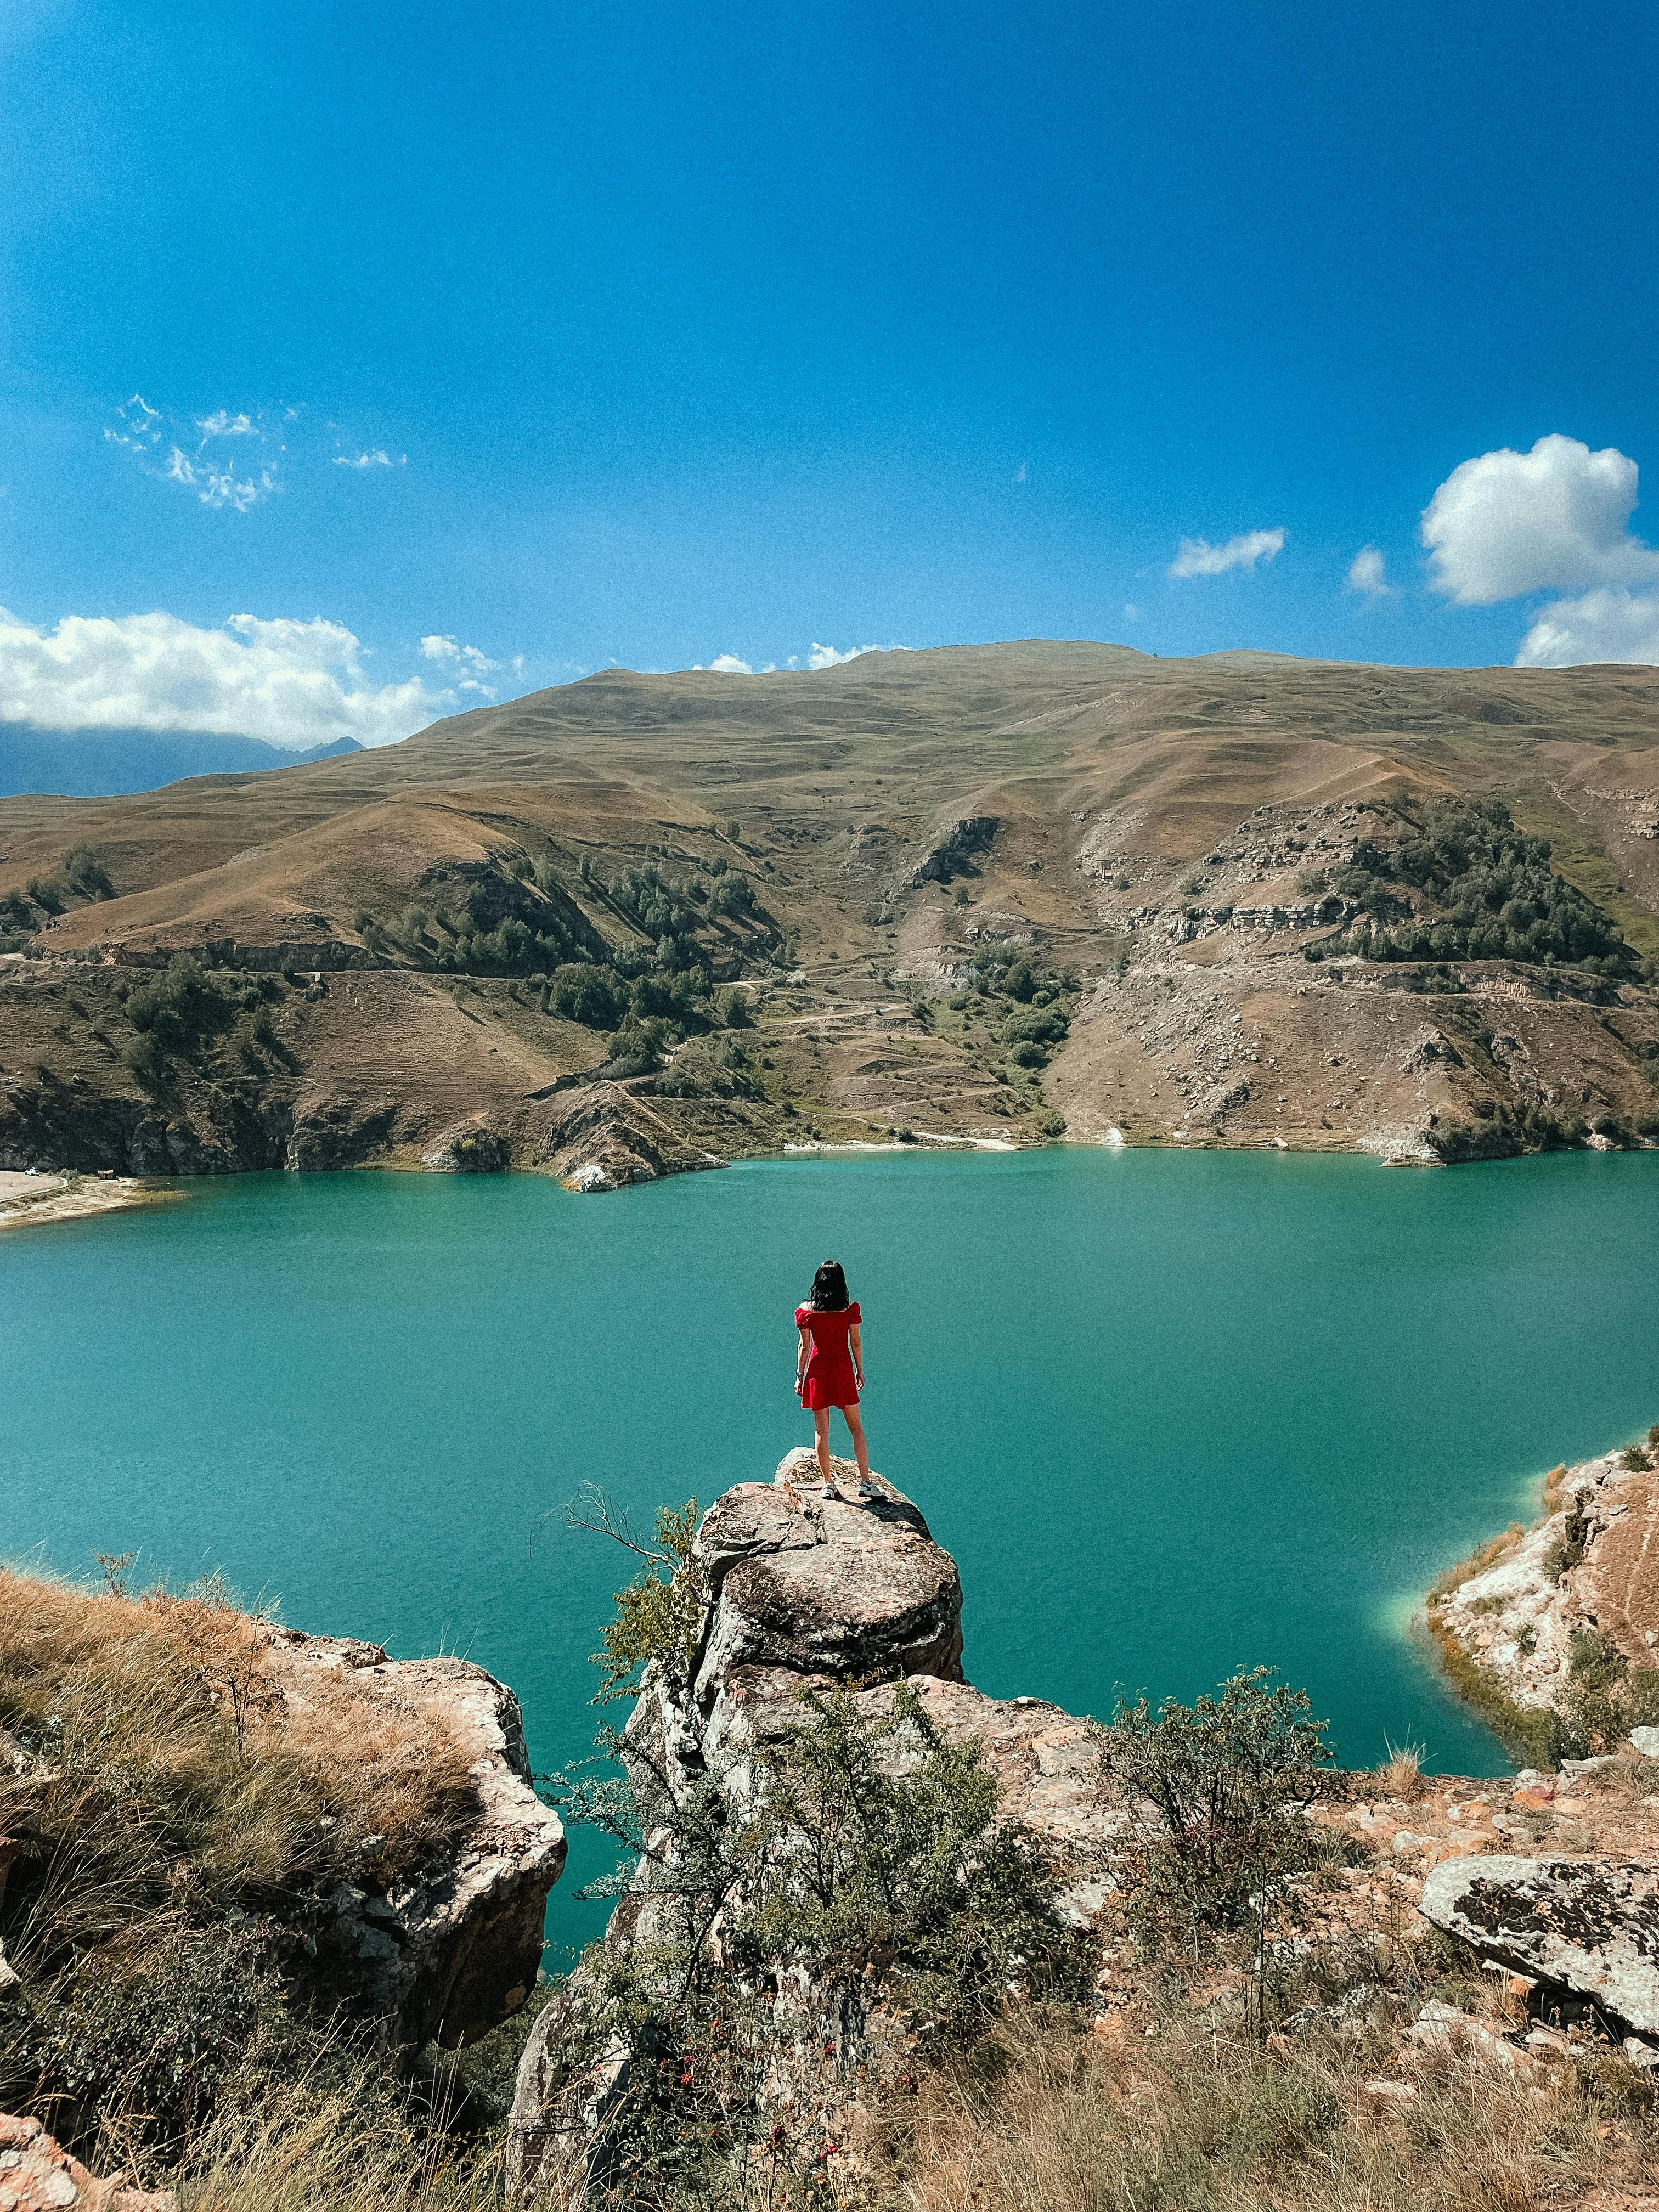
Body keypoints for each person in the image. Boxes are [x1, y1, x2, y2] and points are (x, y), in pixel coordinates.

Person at [793, 1260, 874, 1502]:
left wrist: (800, 1377)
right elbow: (856, 1343)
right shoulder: (850, 1309)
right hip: (842, 1368)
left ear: (818, 1281)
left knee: (822, 1430)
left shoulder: (806, 1311)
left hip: (818, 1370)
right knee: (856, 1428)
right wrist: (860, 1370)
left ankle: (828, 1484)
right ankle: (866, 1483)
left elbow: (805, 1346)